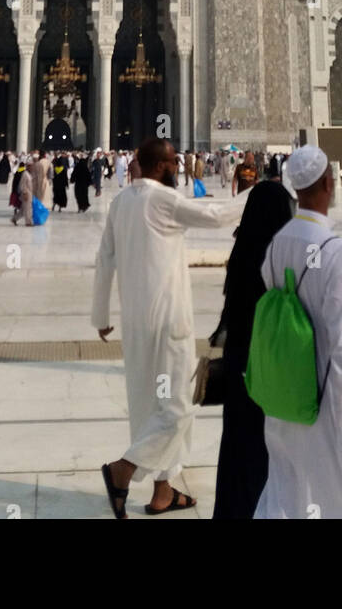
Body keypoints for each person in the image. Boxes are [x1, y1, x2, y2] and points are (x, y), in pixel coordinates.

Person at [94, 138, 243, 518]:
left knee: (149, 405)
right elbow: (214, 216)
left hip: (137, 324)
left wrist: (101, 316)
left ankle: (163, 491)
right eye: (174, 161)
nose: (178, 166)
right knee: (177, 407)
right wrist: (256, 195)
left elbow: (104, 258)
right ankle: (122, 471)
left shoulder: (121, 202)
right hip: (169, 323)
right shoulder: (161, 199)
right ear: (160, 166)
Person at [253, 145, 342, 520]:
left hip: (284, 395)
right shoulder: (333, 249)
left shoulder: (278, 243)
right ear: (329, 183)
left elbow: (272, 296)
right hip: (327, 399)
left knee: (286, 490)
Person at [213, 179, 294, 520]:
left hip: (237, 364)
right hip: (263, 371)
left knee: (236, 449)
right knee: (260, 454)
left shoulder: (243, 248)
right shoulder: (275, 257)